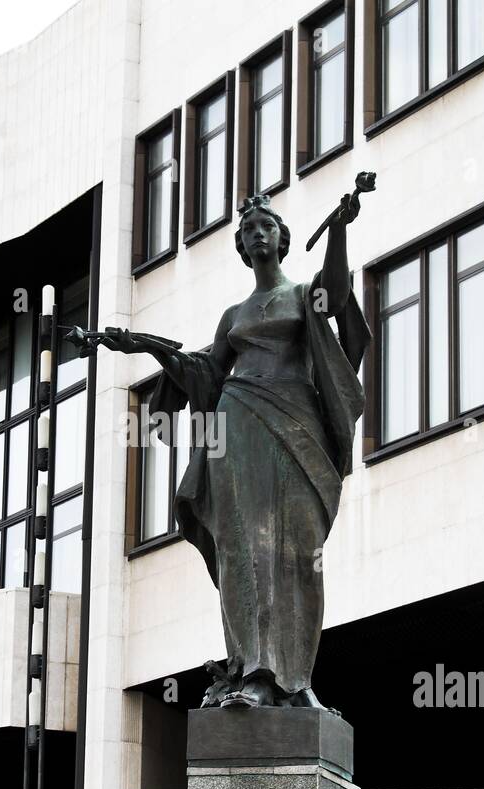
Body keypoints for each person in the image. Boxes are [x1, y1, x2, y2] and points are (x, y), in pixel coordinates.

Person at [101, 189, 368, 710]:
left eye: (266, 226)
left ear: (282, 239)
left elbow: (335, 296)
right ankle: (252, 673)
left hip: (297, 427)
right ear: (244, 249)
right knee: (243, 550)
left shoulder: (301, 293)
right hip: (237, 426)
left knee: (298, 553)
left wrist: (338, 228)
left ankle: (295, 681)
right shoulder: (233, 315)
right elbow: (206, 370)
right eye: (249, 231)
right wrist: (149, 347)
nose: (257, 234)